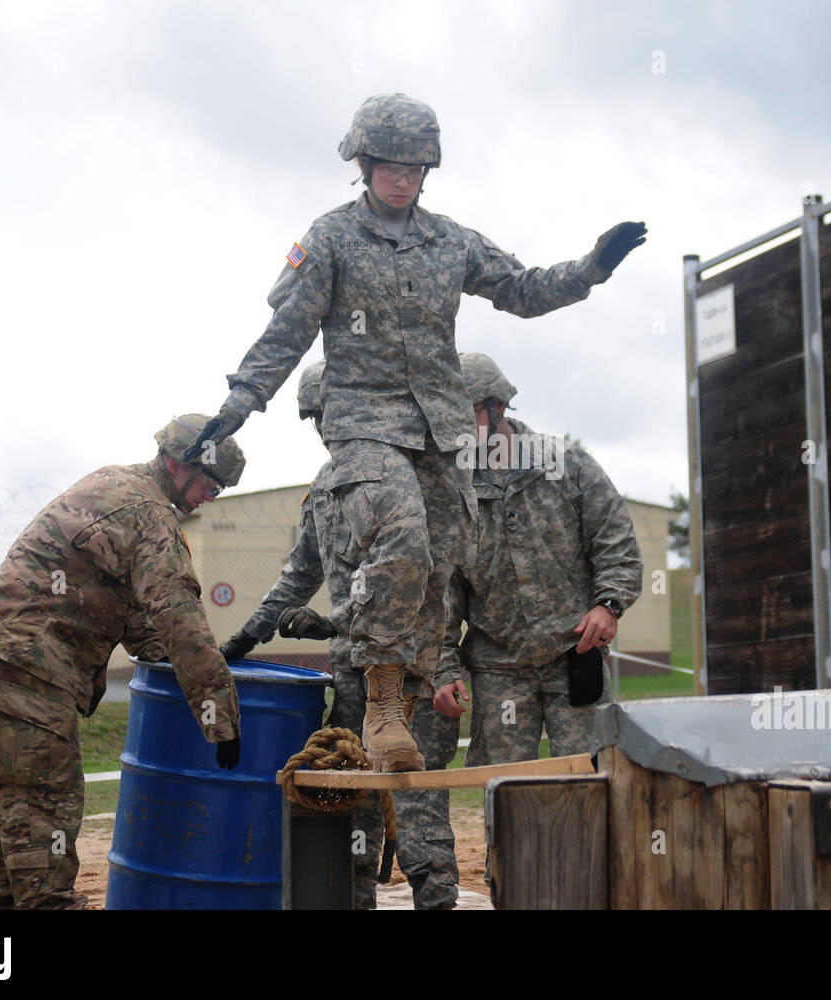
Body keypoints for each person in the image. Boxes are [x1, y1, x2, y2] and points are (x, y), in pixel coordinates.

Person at [184, 93, 646, 772]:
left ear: (428, 170)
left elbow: (520, 290)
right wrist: (239, 402)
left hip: (442, 434)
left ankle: (400, 688)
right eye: (390, 165)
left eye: (415, 167)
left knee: (437, 560)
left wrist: (591, 269)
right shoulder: (332, 238)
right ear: (364, 163)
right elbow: (288, 332)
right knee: (399, 536)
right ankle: (384, 702)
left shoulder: (450, 241)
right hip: (366, 424)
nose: (402, 178)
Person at [0, 415, 246, 909]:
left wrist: (176, 665)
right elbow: (179, 617)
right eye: (210, 484)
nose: (211, 497)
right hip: (31, 663)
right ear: (178, 465)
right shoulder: (151, 513)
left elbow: (136, 615)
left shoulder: (115, 484)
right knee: (45, 819)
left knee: (7, 828)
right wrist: (219, 713)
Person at [219, 361, 462, 909]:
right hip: (353, 677)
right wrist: (246, 636)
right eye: (316, 417)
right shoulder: (327, 487)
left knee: (418, 818)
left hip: (407, 677)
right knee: (353, 811)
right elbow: (298, 573)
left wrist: (335, 622)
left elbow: (416, 580)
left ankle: (439, 904)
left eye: (330, 413)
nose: (325, 426)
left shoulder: (404, 475)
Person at [435, 354, 643, 768]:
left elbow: (615, 542)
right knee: (504, 790)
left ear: (497, 408)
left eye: (467, 413)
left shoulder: (566, 466)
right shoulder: (452, 491)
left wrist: (609, 605)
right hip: (499, 670)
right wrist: (443, 667)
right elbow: (443, 589)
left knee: (589, 781)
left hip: (574, 655)